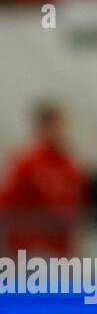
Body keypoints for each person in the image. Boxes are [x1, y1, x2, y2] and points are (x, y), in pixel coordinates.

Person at [0, 101, 88, 257]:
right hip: (29, 247)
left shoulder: (70, 164)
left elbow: (78, 202)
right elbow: (7, 204)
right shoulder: (26, 163)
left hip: (61, 248)